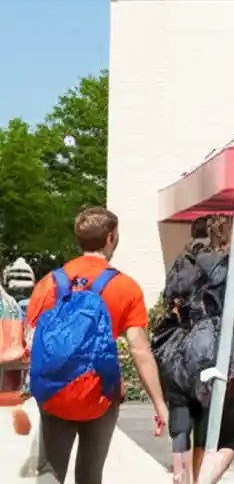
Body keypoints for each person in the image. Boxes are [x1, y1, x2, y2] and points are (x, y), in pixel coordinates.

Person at [25, 207, 168, 484]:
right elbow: (139, 349)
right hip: (100, 394)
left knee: (49, 471)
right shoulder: (126, 287)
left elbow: (30, 340)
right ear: (111, 238)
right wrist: (159, 404)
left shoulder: (49, 283)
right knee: (90, 474)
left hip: (55, 392)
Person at [153, 214, 234, 484]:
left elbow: (168, 310)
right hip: (213, 360)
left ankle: (180, 476)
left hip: (178, 360)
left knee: (182, 427)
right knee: (232, 436)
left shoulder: (180, 266)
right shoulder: (226, 268)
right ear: (225, 238)